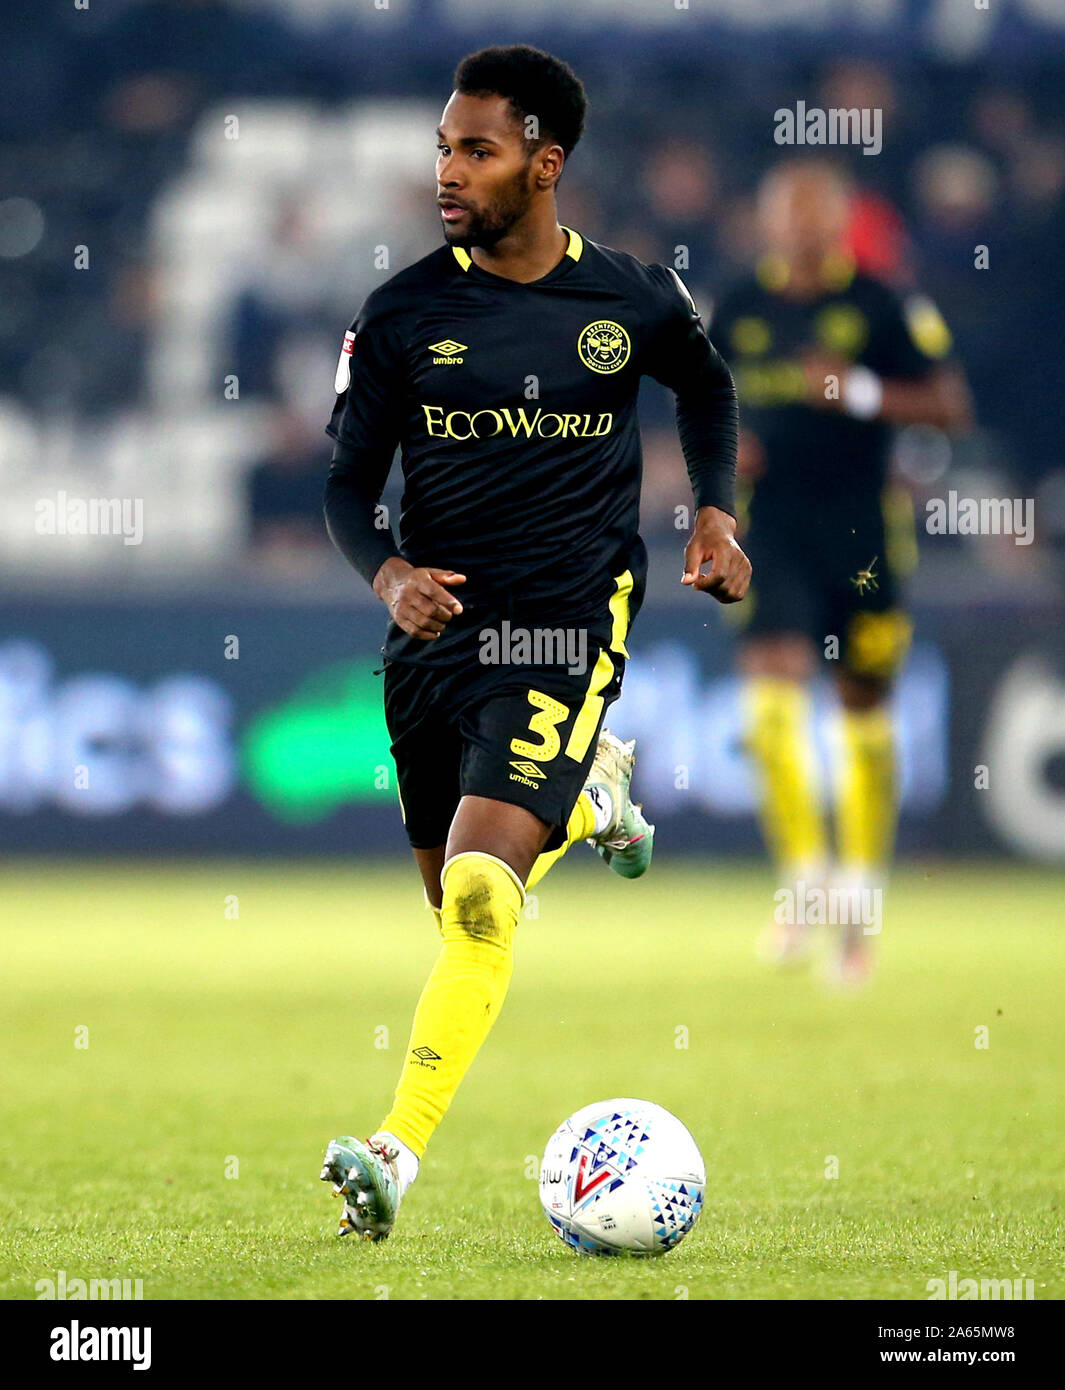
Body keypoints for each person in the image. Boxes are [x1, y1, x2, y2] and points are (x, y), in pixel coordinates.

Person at [319, 44, 749, 1240]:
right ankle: (593, 795)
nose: (448, 171)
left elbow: (705, 389)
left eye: (476, 149)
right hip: (436, 640)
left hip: (566, 622)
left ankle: (394, 1153)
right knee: (463, 911)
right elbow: (347, 487)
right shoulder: (403, 309)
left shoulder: (631, 298)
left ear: (544, 164)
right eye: (443, 148)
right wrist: (389, 570)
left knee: (474, 898)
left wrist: (714, 513)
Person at [710, 157, 971, 983]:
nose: (798, 228)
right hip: (769, 527)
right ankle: (804, 884)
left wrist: (857, 391)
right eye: (784, 215)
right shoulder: (738, 304)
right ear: (765, 222)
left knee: (862, 710)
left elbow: (948, 405)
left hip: (860, 528)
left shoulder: (882, 302)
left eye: (814, 214)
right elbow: (699, 399)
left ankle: (858, 907)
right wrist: (723, 452)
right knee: (770, 699)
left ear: (839, 221)